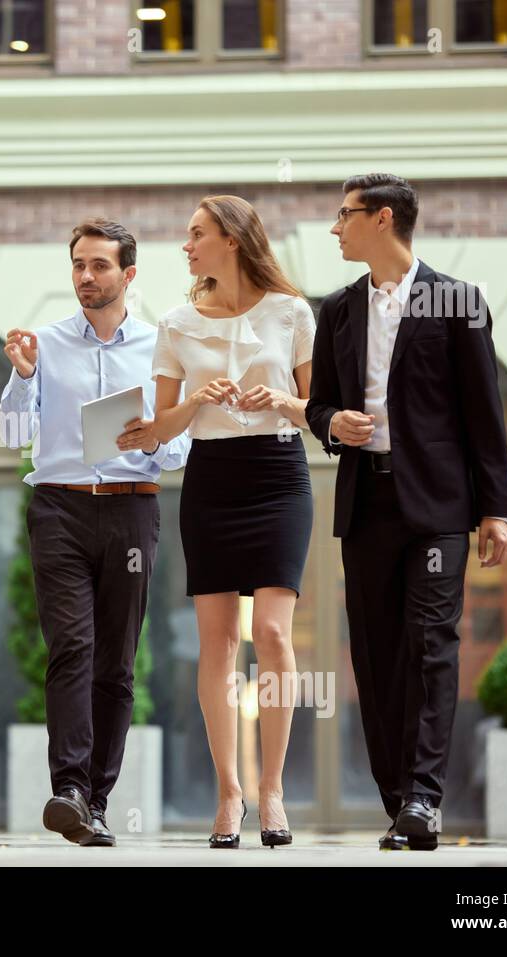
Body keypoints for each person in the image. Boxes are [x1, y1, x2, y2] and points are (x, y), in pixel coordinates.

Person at [306, 173, 507, 851]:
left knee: (432, 644)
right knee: (375, 655)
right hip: (368, 503)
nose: (335, 228)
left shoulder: (459, 301)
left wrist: (496, 511)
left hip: (438, 508)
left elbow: (485, 413)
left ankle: (425, 796)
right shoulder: (336, 310)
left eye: (345, 215)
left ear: (383, 218)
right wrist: (333, 420)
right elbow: (316, 407)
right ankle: (398, 798)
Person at [0, 218, 189, 847]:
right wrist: (25, 376)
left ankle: (96, 801)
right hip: (60, 510)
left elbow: (182, 445)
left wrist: (153, 437)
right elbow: (6, 433)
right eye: (78, 264)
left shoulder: (163, 346)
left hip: (133, 509)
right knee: (71, 646)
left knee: (117, 661)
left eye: (99, 265)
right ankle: (69, 788)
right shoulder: (45, 343)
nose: (86, 276)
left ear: (128, 274)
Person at [150, 195, 315, 848]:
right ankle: (229, 792)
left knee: (272, 634)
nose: (187, 246)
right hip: (210, 477)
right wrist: (194, 401)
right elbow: (155, 430)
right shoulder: (176, 323)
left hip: (279, 474)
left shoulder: (292, 312)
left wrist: (282, 399)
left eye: (196, 234)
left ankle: (272, 788)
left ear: (233, 238)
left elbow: (318, 411)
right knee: (215, 642)